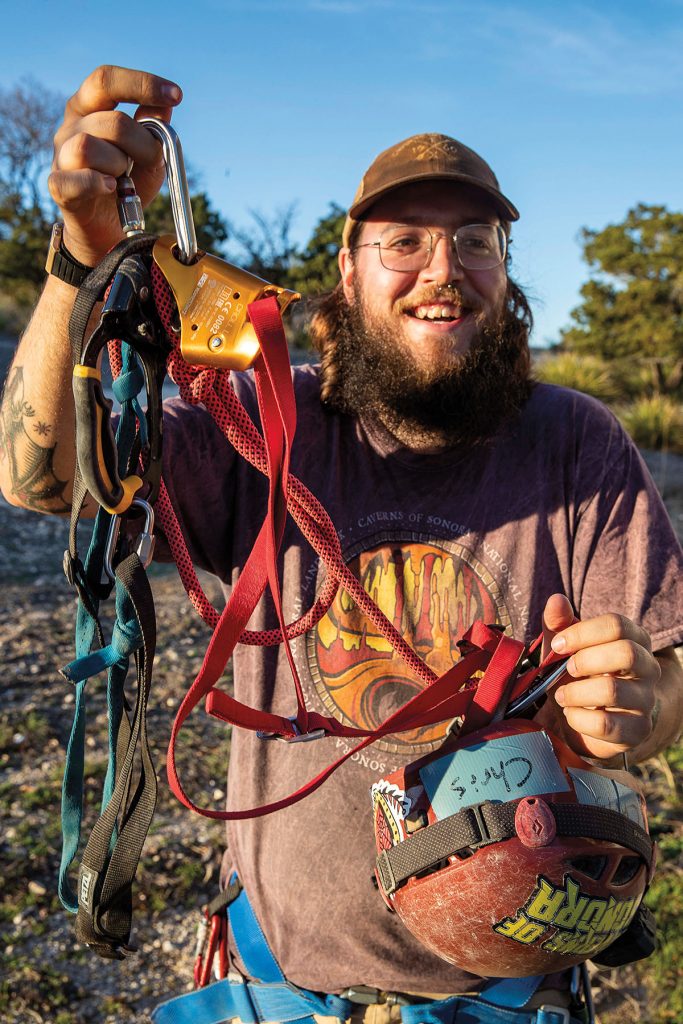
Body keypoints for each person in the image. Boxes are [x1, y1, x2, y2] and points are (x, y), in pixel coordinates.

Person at [1, 65, 682, 1023]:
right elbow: (43, 477)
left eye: (474, 242)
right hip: (274, 990)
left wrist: (639, 706)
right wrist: (81, 258)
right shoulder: (269, 422)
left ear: (505, 270)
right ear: (348, 273)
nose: (443, 269)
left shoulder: (579, 444)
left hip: (503, 997)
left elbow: (664, 677)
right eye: (403, 241)